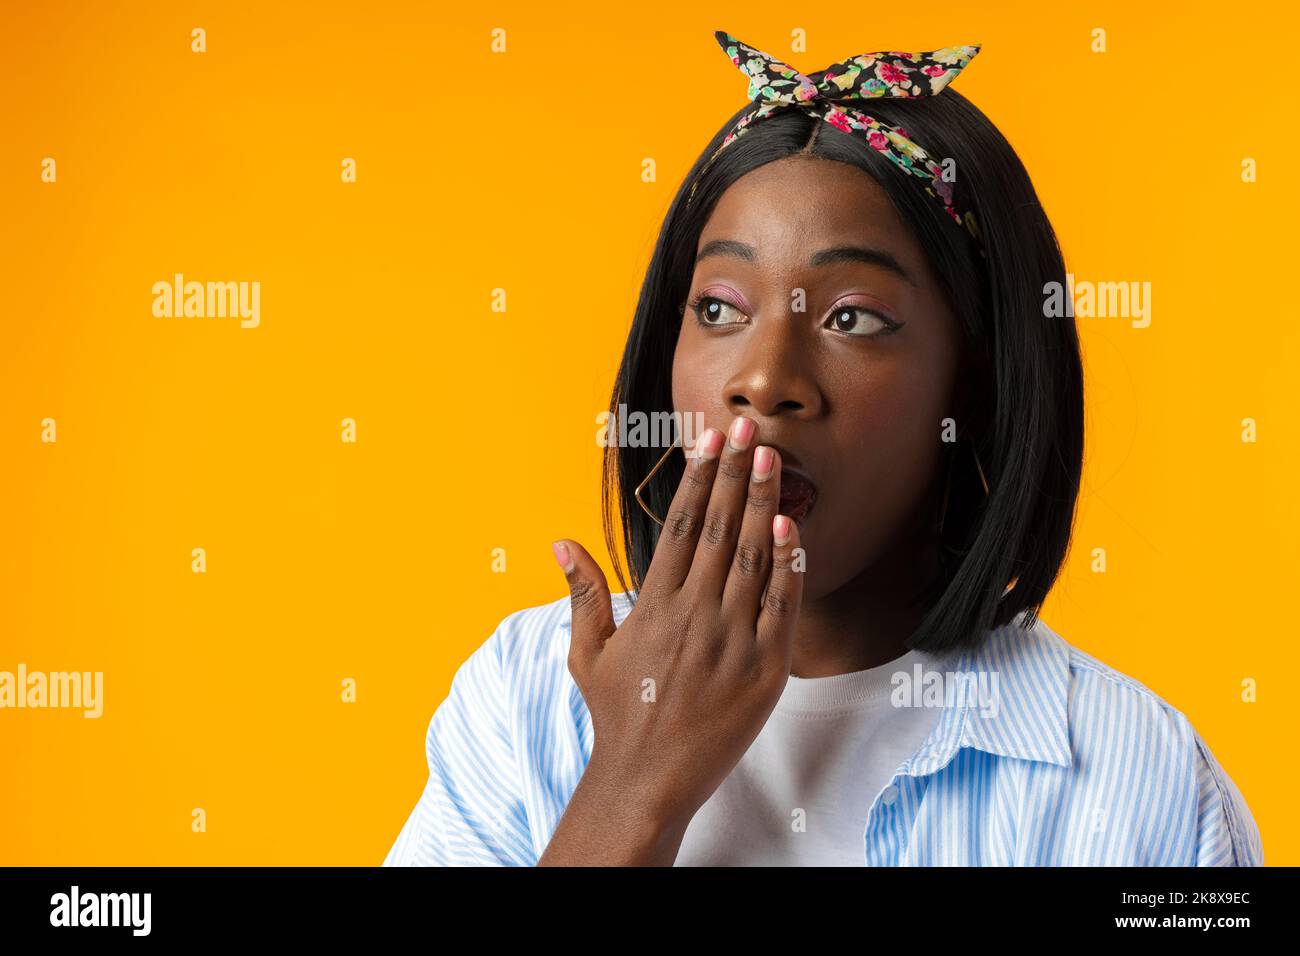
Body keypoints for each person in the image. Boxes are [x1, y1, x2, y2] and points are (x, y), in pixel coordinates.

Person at [383, 32, 1263, 866]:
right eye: (720, 307)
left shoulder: (1139, 784)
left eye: (852, 318)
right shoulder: (521, 702)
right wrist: (630, 781)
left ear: (979, 379)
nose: (764, 382)